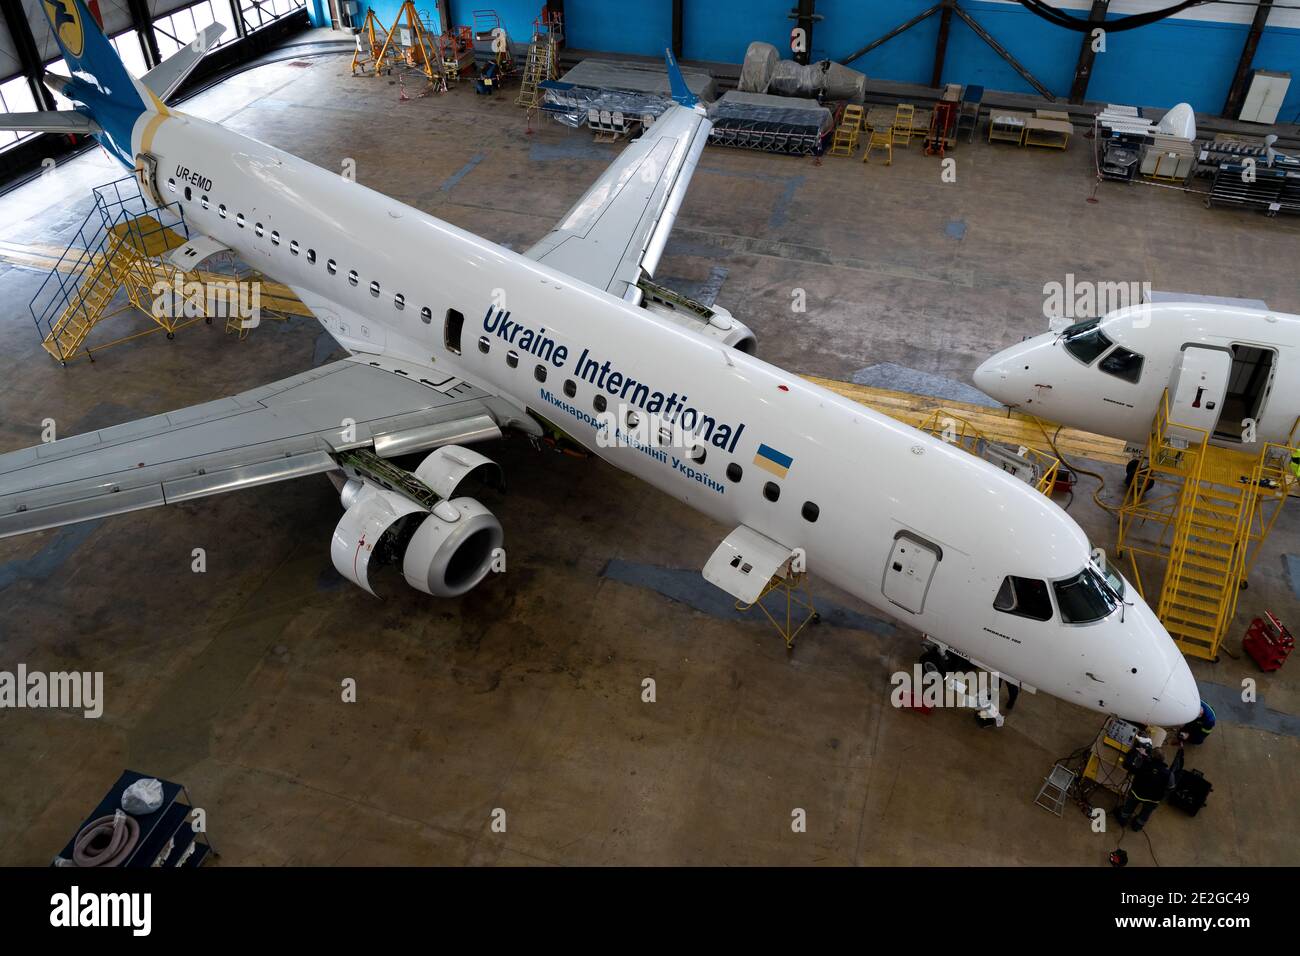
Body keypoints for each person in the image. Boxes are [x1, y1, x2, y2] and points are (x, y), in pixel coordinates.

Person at [1116, 749, 1176, 831]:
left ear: (1151, 756)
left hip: (1136, 793)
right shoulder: (1169, 774)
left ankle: (1122, 820)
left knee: (1128, 807)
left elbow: (1132, 768)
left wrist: (1140, 755)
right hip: (1153, 800)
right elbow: (1171, 788)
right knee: (1145, 814)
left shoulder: (1143, 763)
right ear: (1163, 759)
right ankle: (1137, 826)